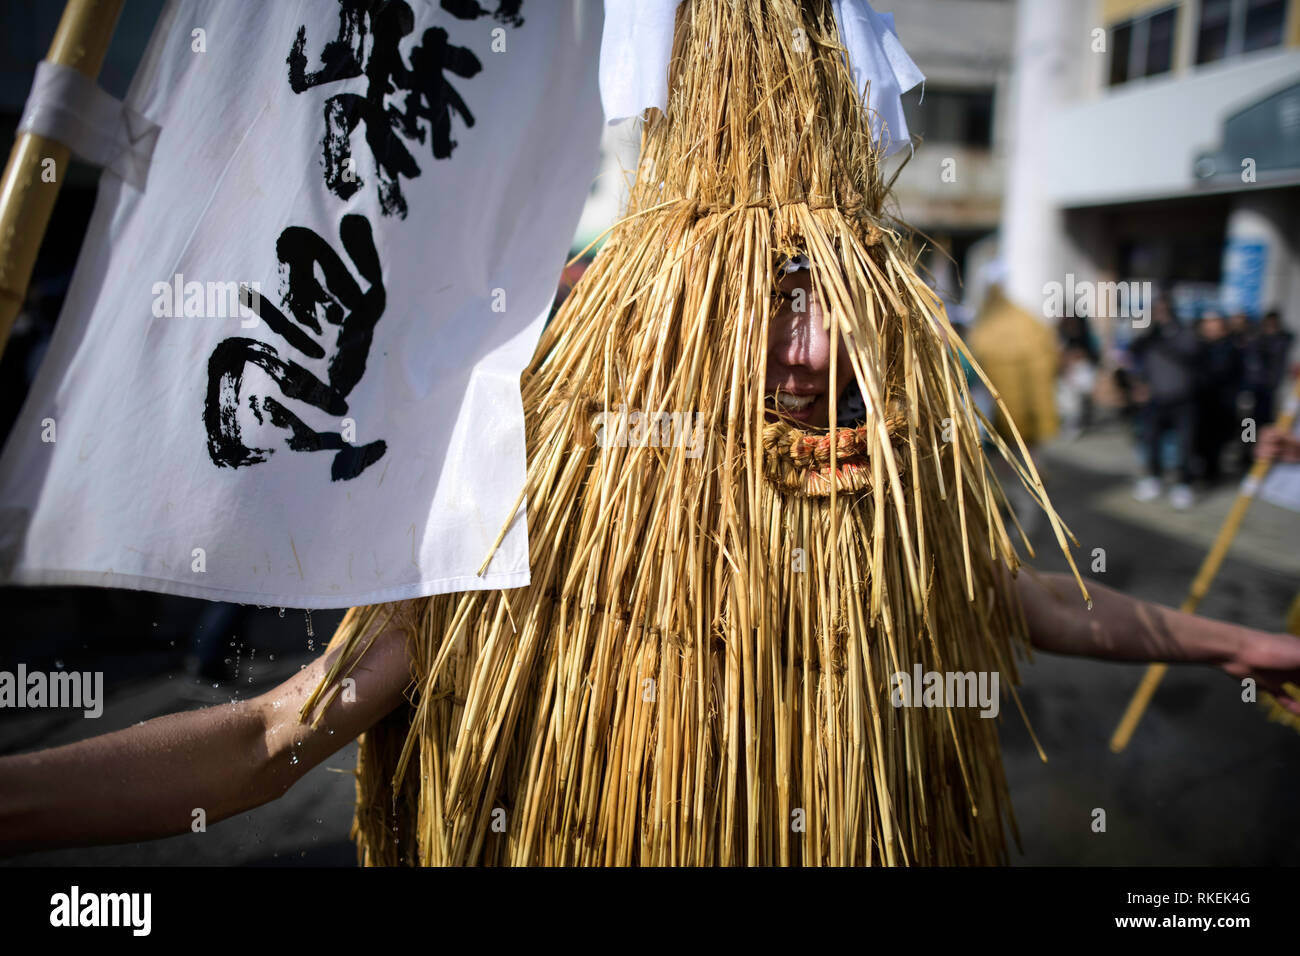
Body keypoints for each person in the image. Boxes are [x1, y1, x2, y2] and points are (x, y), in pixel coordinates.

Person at [4, 263, 1300, 860]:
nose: (819, 349)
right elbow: (275, 737)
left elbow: (1027, 605)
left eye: (840, 301)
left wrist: (1236, 642)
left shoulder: (882, 515)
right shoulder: (522, 527)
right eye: (782, 295)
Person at [1130, 298, 1197, 509]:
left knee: (1185, 444)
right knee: (1151, 440)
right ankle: (1154, 479)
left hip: (1182, 398)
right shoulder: (1151, 336)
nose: (1159, 315)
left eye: (1162, 310)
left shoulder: (1184, 334)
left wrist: (1164, 336)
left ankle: (1183, 485)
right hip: (1155, 398)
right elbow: (1137, 355)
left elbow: (1190, 354)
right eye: (1155, 311)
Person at [1192, 310, 1243, 487]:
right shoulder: (1199, 345)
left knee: (1216, 442)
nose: (1209, 329)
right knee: (1199, 441)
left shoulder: (1231, 347)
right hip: (1201, 403)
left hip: (1221, 404)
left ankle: (1211, 475)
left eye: (1214, 325)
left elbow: (1226, 373)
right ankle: (1203, 471)